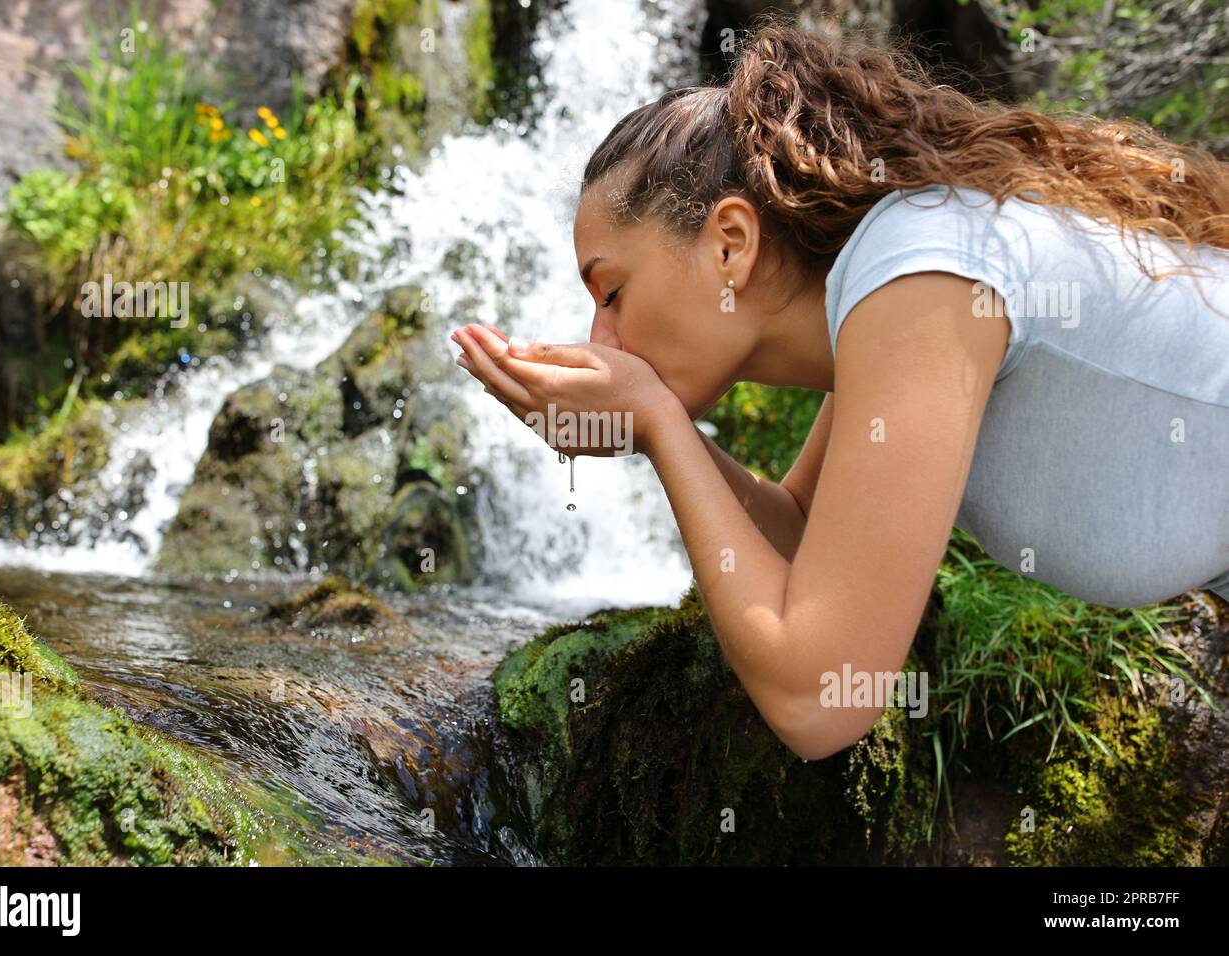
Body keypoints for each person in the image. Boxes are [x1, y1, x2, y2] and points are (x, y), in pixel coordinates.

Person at [450, 21, 1229, 760]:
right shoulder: (890, 280)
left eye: (610, 293)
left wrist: (656, 419)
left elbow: (822, 702)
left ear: (731, 244)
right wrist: (656, 439)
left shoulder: (923, 273)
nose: (599, 343)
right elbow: (795, 537)